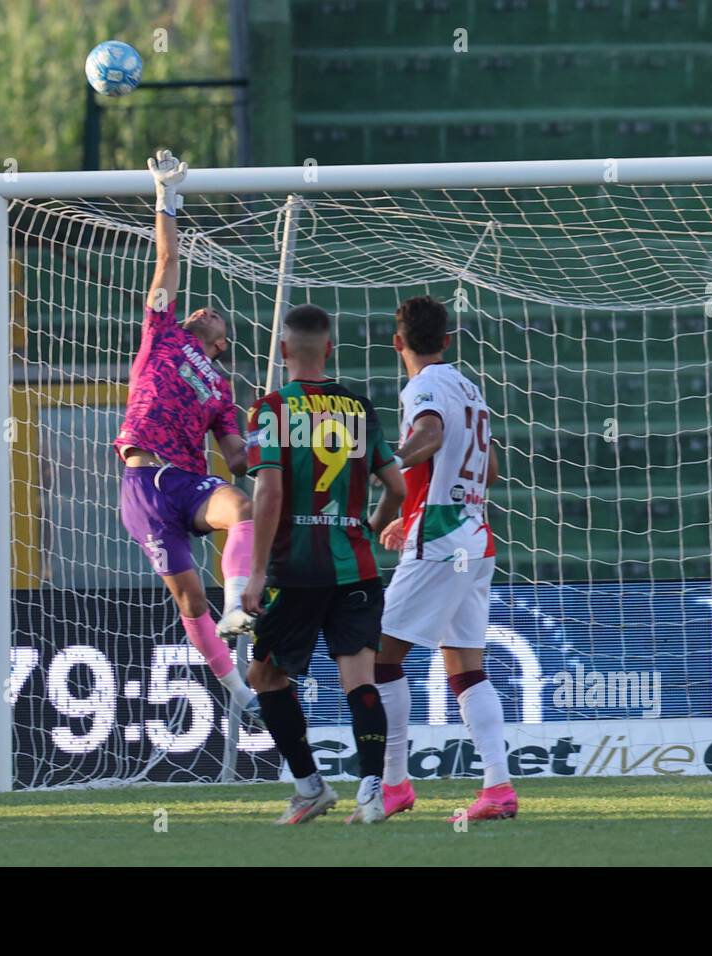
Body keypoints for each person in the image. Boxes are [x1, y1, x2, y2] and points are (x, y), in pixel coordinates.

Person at [240, 304, 407, 824]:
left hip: (296, 571)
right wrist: (372, 526)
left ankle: (311, 787)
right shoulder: (359, 407)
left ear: (284, 350)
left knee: (264, 676)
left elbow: (267, 494)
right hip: (354, 566)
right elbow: (398, 488)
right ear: (330, 349)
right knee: (359, 679)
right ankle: (373, 793)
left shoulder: (270, 408)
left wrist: (257, 569)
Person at [115, 149, 257, 713]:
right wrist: (166, 198)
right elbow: (167, 260)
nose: (205, 310)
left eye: (217, 315)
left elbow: (238, 457)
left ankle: (240, 603)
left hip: (185, 481)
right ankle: (234, 687)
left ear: (220, 345)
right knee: (188, 597)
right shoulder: (163, 332)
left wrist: (265, 437)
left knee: (241, 506)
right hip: (141, 485)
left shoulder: (221, 390)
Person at [374, 295, 517, 822]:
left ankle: (393, 786)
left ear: (398, 343)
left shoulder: (424, 386)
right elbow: (490, 468)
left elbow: (430, 437)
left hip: (440, 540)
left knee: (378, 659)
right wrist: (408, 511)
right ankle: (497, 790)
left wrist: (385, 463)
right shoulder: (469, 388)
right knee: (465, 669)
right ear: (448, 340)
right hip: (475, 538)